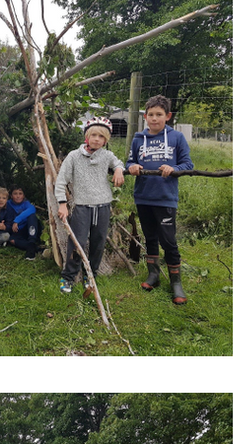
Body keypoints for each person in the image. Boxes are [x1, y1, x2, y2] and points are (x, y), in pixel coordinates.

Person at [126, 95, 194, 305]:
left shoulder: (176, 138)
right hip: (143, 197)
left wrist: (174, 169)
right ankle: (153, 275)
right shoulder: (138, 138)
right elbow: (130, 161)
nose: (154, 119)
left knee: (168, 240)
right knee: (150, 236)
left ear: (168, 116)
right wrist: (132, 167)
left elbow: (187, 165)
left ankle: (176, 282)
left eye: (159, 115)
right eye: (151, 115)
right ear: (145, 116)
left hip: (165, 199)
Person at [54, 117, 125, 298]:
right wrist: (62, 204)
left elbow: (118, 163)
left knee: (98, 242)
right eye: (93, 135)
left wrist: (118, 170)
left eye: (101, 137)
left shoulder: (106, 156)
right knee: (77, 242)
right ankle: (68, 276)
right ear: (87, 135)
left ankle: (90, 275)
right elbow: (61, 181)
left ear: (106, 140)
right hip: (82, 207)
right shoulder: (74, 156)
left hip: (102, 206)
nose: (96, 139)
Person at [5, 187, 42, 260]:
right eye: (15, 194)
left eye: (20, 194)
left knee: (32, 216)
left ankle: (31, 246)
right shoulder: (8, 204)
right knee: (12, 240)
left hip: (29, 229)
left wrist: (17, 220)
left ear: (23, 196)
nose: (18, 196)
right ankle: (36, 248)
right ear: (11, 196)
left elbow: (32, 209)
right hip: (17, 230)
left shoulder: (26, 203)